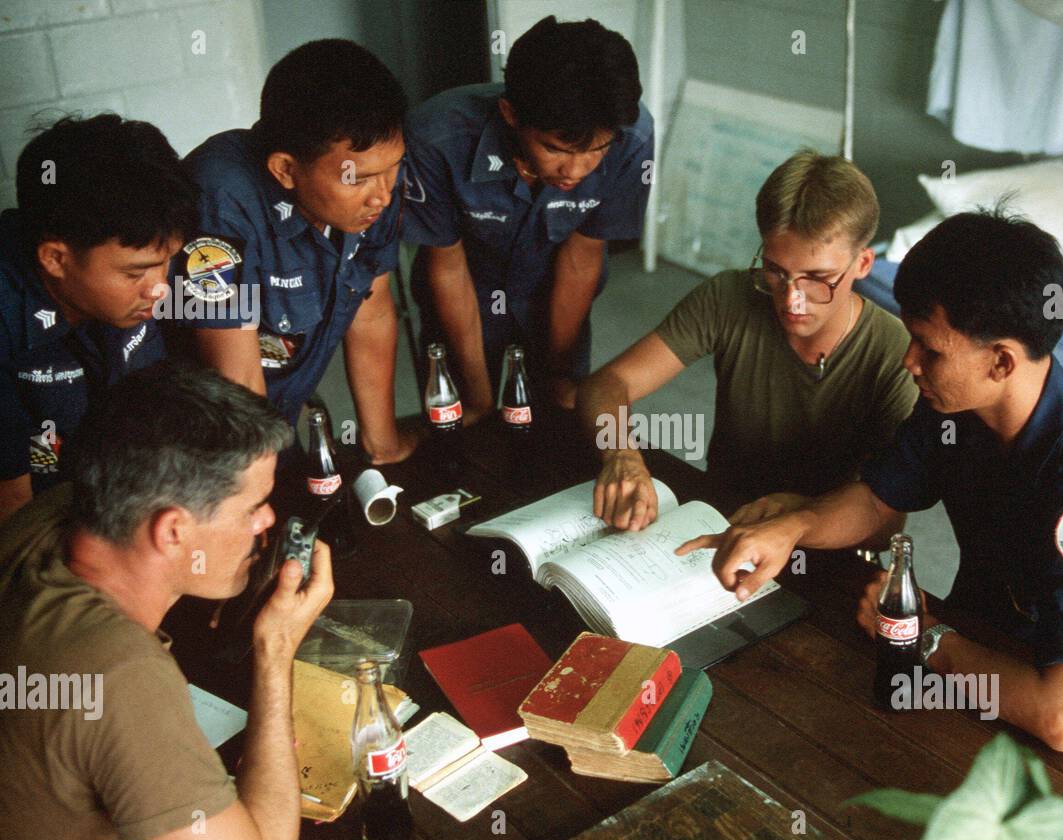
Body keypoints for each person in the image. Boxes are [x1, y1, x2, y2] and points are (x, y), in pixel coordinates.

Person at [679, 210, 1063, 753]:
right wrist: (794, 527)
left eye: (930, 348)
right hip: (956, 649)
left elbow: (1062, 718)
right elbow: (879, 500)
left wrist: (920, 634)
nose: (909, 362)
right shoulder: (956, 405)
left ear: (1001, 362)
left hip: (1024, 700)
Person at [0, 364, 332, 840]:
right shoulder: (122, 676)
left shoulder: (49, 516)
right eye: (253, 507)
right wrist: (276, 648)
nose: (268, 521)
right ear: (173, 531)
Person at [579, 150, 918, 530]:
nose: (792, 300)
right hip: (721, 519)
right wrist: (621, 453)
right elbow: (607, 385)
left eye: (817, 278)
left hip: (830, 542)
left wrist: (800, 515)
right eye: (775, 271)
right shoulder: (728, 297)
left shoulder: (898, 351)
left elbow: (884, 515)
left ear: (864, 264)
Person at [168, 39, 416, 464]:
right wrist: (257, 501)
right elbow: (237, 378)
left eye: (394, 168)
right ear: (285, 169)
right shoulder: (219, 198)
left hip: (274, 427)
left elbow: (371, 310)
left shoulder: (377, 190)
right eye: (359, 180)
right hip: (197, 451)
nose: (384, 195)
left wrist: (383, 445)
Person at [403, 15, 653, 420]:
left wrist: (558, 375)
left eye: (597, 150)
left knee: (557, 416)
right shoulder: (436, 139)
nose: (576, 171)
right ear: (510, 113)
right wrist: (479, 395)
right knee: (460, 421)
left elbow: (582, 258)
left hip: (556, 294)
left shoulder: (632, 136)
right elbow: (447, 268)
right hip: (464, 291)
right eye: (556, 150)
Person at [0, 114, 195, 524]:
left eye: (167, 263)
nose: (159, 290)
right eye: (134, 273)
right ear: (55, 258)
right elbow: (12, 512)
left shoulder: (144, 255)